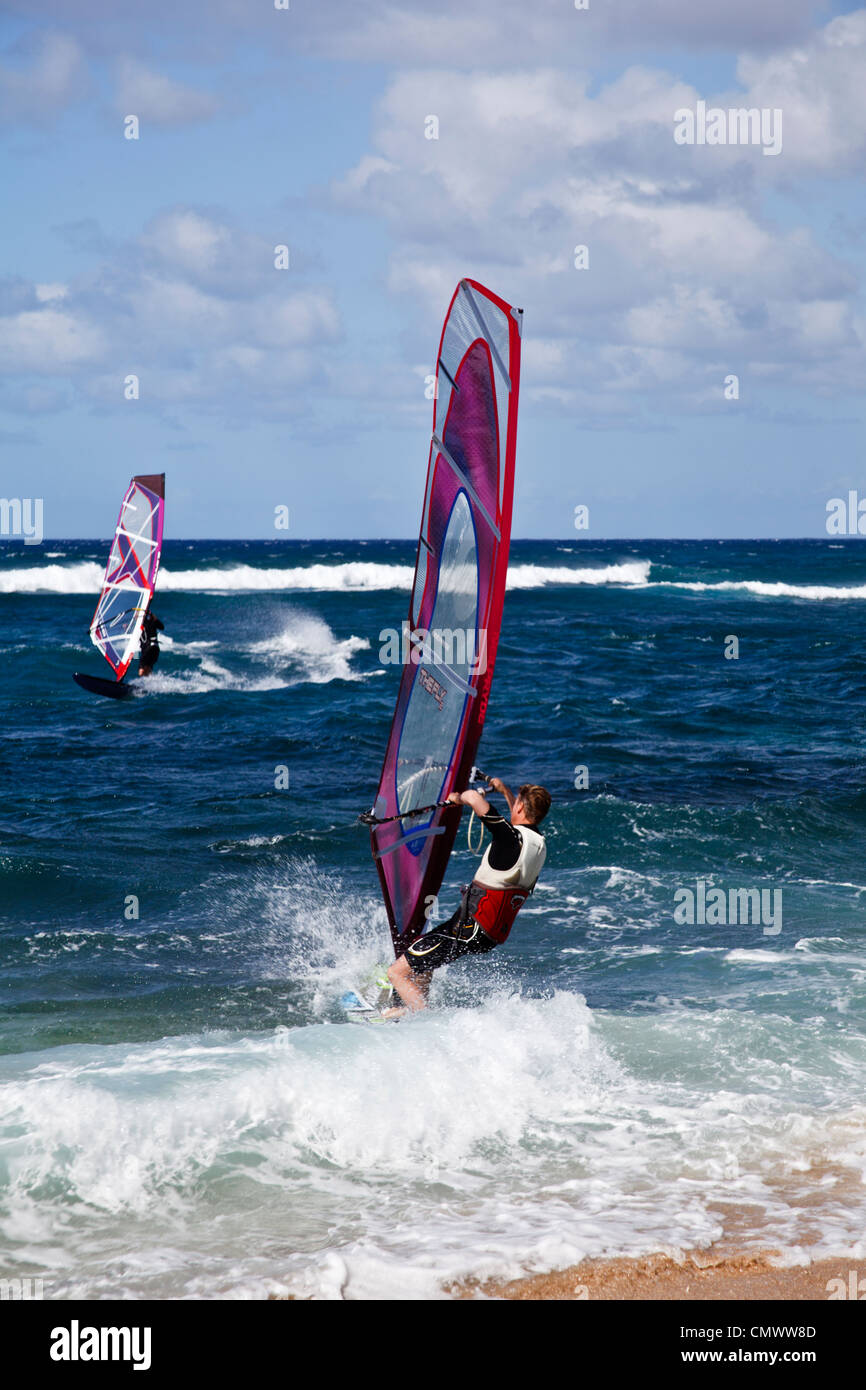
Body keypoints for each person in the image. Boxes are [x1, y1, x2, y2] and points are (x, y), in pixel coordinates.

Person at [385, 778, 551, 1016]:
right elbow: (520, 822)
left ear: (520, 808)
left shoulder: (509, 838)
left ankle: (423, 1021)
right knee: (423, 956)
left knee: (396, 972)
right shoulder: (538, 844)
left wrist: (457, 798)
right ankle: (407, 1008)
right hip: (489, 933)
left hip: (469, 927)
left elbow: (473, 797)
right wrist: (504, 791)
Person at [138, 605, 164, 677]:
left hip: (149, 648)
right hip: (155, 648)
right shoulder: (151, 621)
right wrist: (153, 617)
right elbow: (162, 627)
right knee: (148, 669)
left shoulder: (143, 624)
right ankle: (149, 685)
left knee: (141, 671)